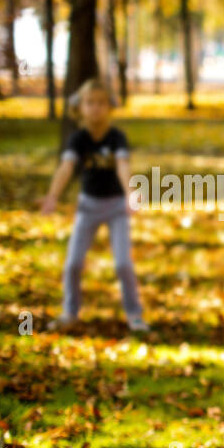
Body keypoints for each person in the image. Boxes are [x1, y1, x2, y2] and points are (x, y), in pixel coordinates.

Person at [39, 78, 149, 333]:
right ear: (81, 107)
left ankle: (135, 316)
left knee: (123, 264)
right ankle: (70, 312)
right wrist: (53, 196)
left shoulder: (116, 137)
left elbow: (123, 166)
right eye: (90, 103)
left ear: (109, 107)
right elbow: (66, 167)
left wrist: (131, 193)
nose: (96, 108)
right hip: (87, 207)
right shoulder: (78, 139)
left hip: (116, 208)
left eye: (101, 103)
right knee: (73, 264)